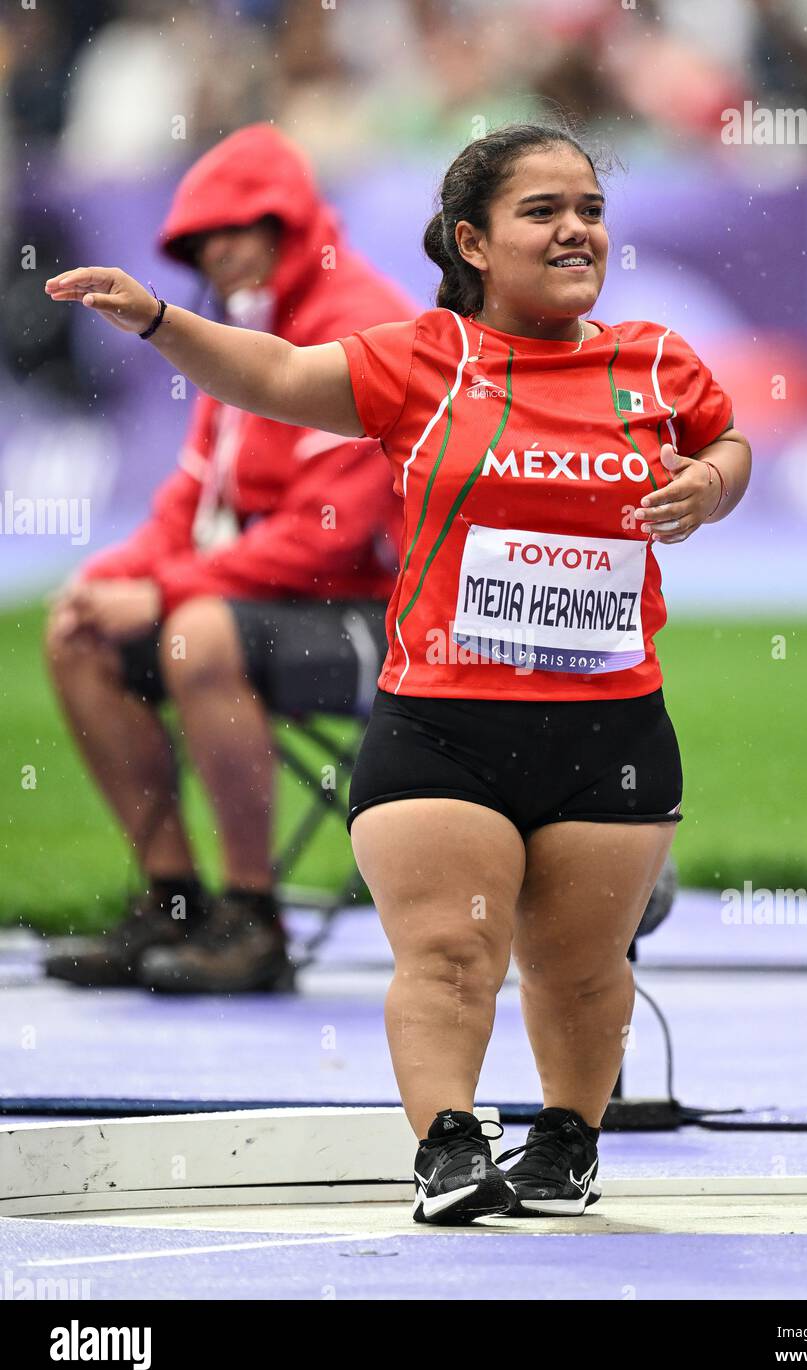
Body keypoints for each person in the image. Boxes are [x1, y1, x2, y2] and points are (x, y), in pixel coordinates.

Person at [45, 121, 751, 1222]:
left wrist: (709, 487)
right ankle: (450, 1146)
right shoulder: (424, 357)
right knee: (447, 952)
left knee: (579, 967)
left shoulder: (656, 358)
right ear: (472, 241)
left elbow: (727, 442)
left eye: (591, 211)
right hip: (443, 723)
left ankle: (568, 1141)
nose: (577, 230)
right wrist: (157, 320)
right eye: (543, 211)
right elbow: (275, 374)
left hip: (610, 729)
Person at [44, 124, 417, 994]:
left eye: (233, 230)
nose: (216, 254)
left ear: (289, 225)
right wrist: (112, 580)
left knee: (197, 632)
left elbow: (329, 535)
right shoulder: (238, 326)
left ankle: (255, 922)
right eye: (200, 242)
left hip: (387, 618)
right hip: (274, 604)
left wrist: (165, 592)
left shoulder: (361, 324)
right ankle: (173, 904)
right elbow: (191, 499)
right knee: (79, 630)